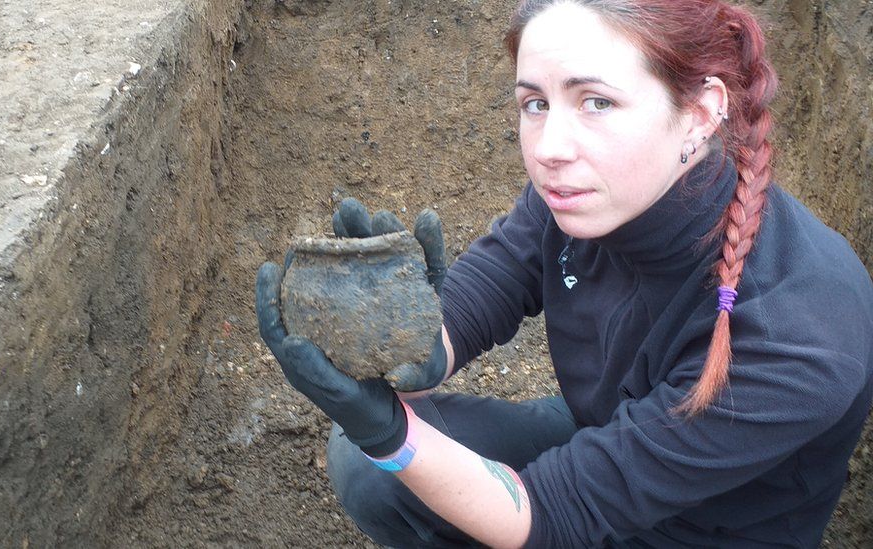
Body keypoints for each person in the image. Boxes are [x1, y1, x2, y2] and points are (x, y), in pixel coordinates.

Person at [256, 0, 873, 546]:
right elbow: (492, 284)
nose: (550, 146)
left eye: (596, 102)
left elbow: (554, 515)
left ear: (701, 111)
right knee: (369, 469)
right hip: (608, 435)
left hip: (706, 527)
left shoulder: (799, 327)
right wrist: (404, 337)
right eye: (535, 103)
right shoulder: (589, 193)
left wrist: (393, 434)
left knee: (395, 454)